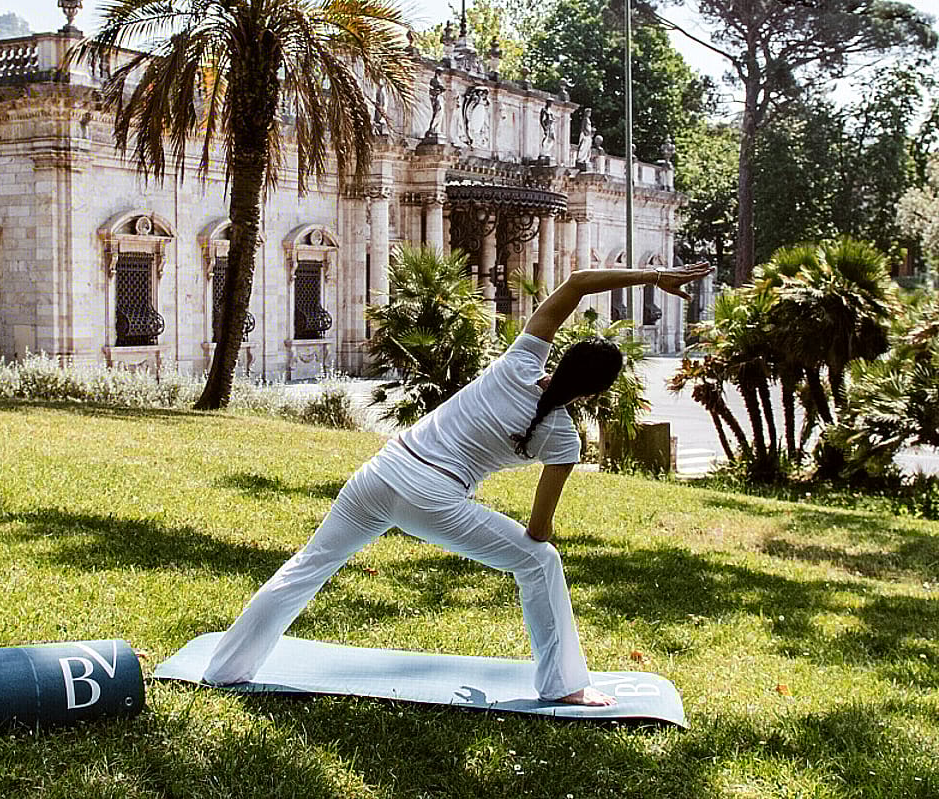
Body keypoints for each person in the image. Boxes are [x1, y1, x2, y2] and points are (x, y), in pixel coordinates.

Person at [203, 260, 713, 706]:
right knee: (541, 561)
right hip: (434, 498)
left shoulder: (519, 361)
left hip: (380, 471)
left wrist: (654, 277)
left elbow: (577, 283)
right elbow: (538, 531)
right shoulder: (562, 439)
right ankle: (562, 685)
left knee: (307, 568)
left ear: (562, 358)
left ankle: (225, 669)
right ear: (598, 390)